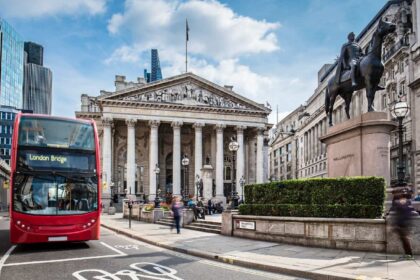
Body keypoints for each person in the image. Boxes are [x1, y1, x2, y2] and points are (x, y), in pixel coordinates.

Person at [391, 187, 414, 260]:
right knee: (404, 240)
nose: (395, 195)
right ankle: (408, 254)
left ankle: (409, 255)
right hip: (402, 223)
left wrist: (398, 224)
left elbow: (405, 213)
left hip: (403, 224)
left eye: (395, 194)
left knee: (405, 240)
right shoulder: (401, 201)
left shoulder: (402, 201)